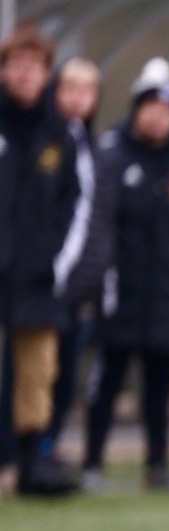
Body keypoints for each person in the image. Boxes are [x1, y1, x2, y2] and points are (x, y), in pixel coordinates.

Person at [82, 58, 169, 490]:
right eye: (151, 106)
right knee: (108, 379)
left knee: (159, 385)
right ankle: (92, 461)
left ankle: (158, 464)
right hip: (120, 291)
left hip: (165, 292)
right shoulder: (112, 153)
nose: (159, 117)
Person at [0, 25, 96, 497]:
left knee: (37, 372)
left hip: (38, 278)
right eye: (16, 64)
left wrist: (57, 266)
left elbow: (79, 205)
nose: (24, 73)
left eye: (34, 65)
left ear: (45, 74)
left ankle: (31, 462)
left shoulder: (63, 134)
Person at [46, 57, 101, 456]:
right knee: (32, 374)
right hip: (40, 280)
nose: (78, 98)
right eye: (70, 88)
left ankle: (48, 446)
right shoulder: (43, 142)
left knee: (66, 374)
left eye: (87, 90)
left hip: (78, 285)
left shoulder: (96, 149)